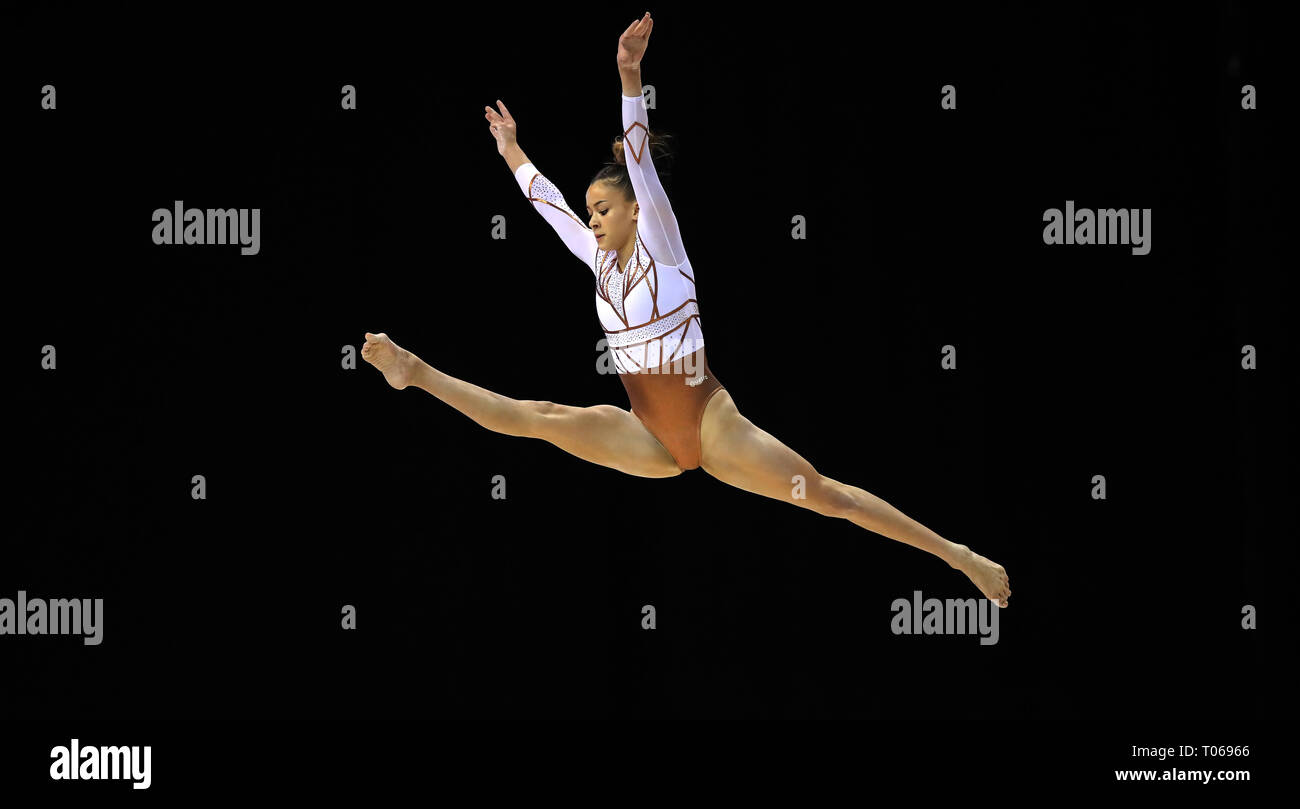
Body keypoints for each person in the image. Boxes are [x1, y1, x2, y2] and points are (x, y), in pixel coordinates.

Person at [363, 13, 1010, 607]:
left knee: (827, 496)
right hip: (648, 437)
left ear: (637, 210)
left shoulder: (663, 245)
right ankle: (414, 370)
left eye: (604, 209)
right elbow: (549, 203)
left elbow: (638, 158)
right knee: (540, 417)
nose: (593, 219)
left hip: (711, 425)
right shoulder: (598, 261)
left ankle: (959, 557)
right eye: (592, 212)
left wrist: (629, 74)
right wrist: (510, 149)